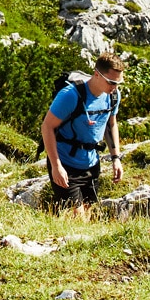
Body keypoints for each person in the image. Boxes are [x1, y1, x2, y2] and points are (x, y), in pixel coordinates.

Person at [41, 52, 124, 218]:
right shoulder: (70, 95)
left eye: (118, 83)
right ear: (96, 75)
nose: (114, 87)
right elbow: (47, 127)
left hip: (91, 165)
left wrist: (116, 159)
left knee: (89, 214)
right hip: (66, 163)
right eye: (111, 82)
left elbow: (111, 124)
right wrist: (56, 166)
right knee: (76, 219)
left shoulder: (113, 96)